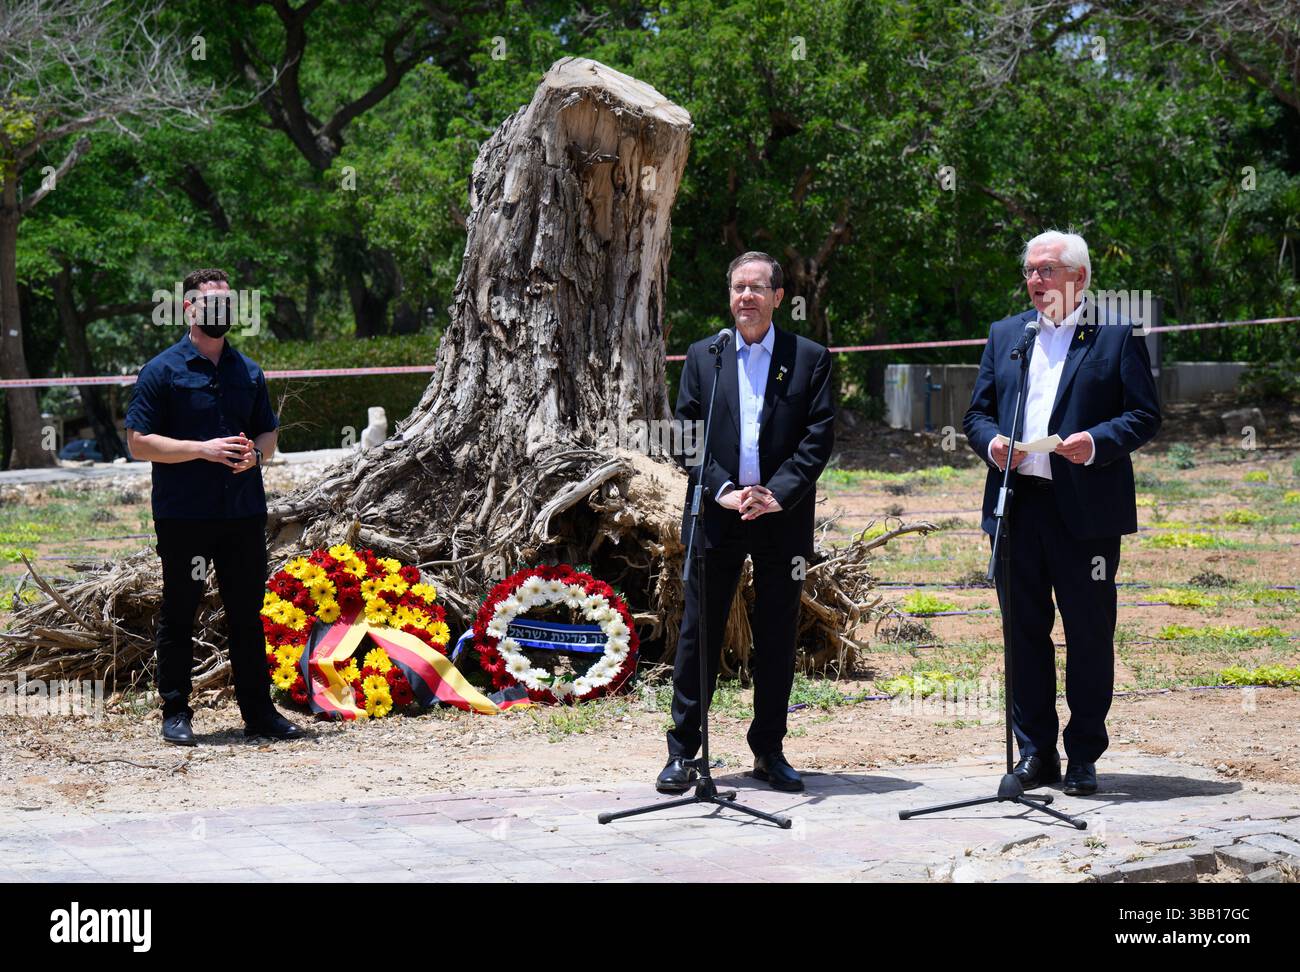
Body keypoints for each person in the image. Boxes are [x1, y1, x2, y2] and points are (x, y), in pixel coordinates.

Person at [963, 230, 1161, 795]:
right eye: (1029, 271)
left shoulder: (1116, 337)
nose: (1034, 281)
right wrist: (993, 443)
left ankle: (1083, 754)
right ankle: (1034, 754)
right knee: (1023, 634)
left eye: (1046, 270)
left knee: (1089, 634)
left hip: (1085, 513)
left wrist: (1096, 441)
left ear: (1079, 277)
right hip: (1016, 508)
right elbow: (977, 413)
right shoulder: (1008, 335)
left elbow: (1144, 415)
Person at [657, 251, 835, 794]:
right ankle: (684, 752)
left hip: (781, 518)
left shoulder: (810, 358)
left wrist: (774, 494)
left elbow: (818, 438)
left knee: (778, 633)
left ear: (779, 297)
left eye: (758, 288)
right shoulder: (704, 356)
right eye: (738, 287)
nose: (747, 297)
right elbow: (684, 437)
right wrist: (726, 490)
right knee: (698, 633)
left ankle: (769, 751)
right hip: (719, 513)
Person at [126, 268, 303, 745]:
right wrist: (201, 449)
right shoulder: (161, 370)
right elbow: (139, 443)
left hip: (243, 513)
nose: (221, 313)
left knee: (247, 613)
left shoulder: (248, 371)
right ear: (189, 308)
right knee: (180, 609)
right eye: (212, 304)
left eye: (229, 304)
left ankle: (259, 714)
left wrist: (258, 455)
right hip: (186, 515)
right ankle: (176, 712)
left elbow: (268, 432)